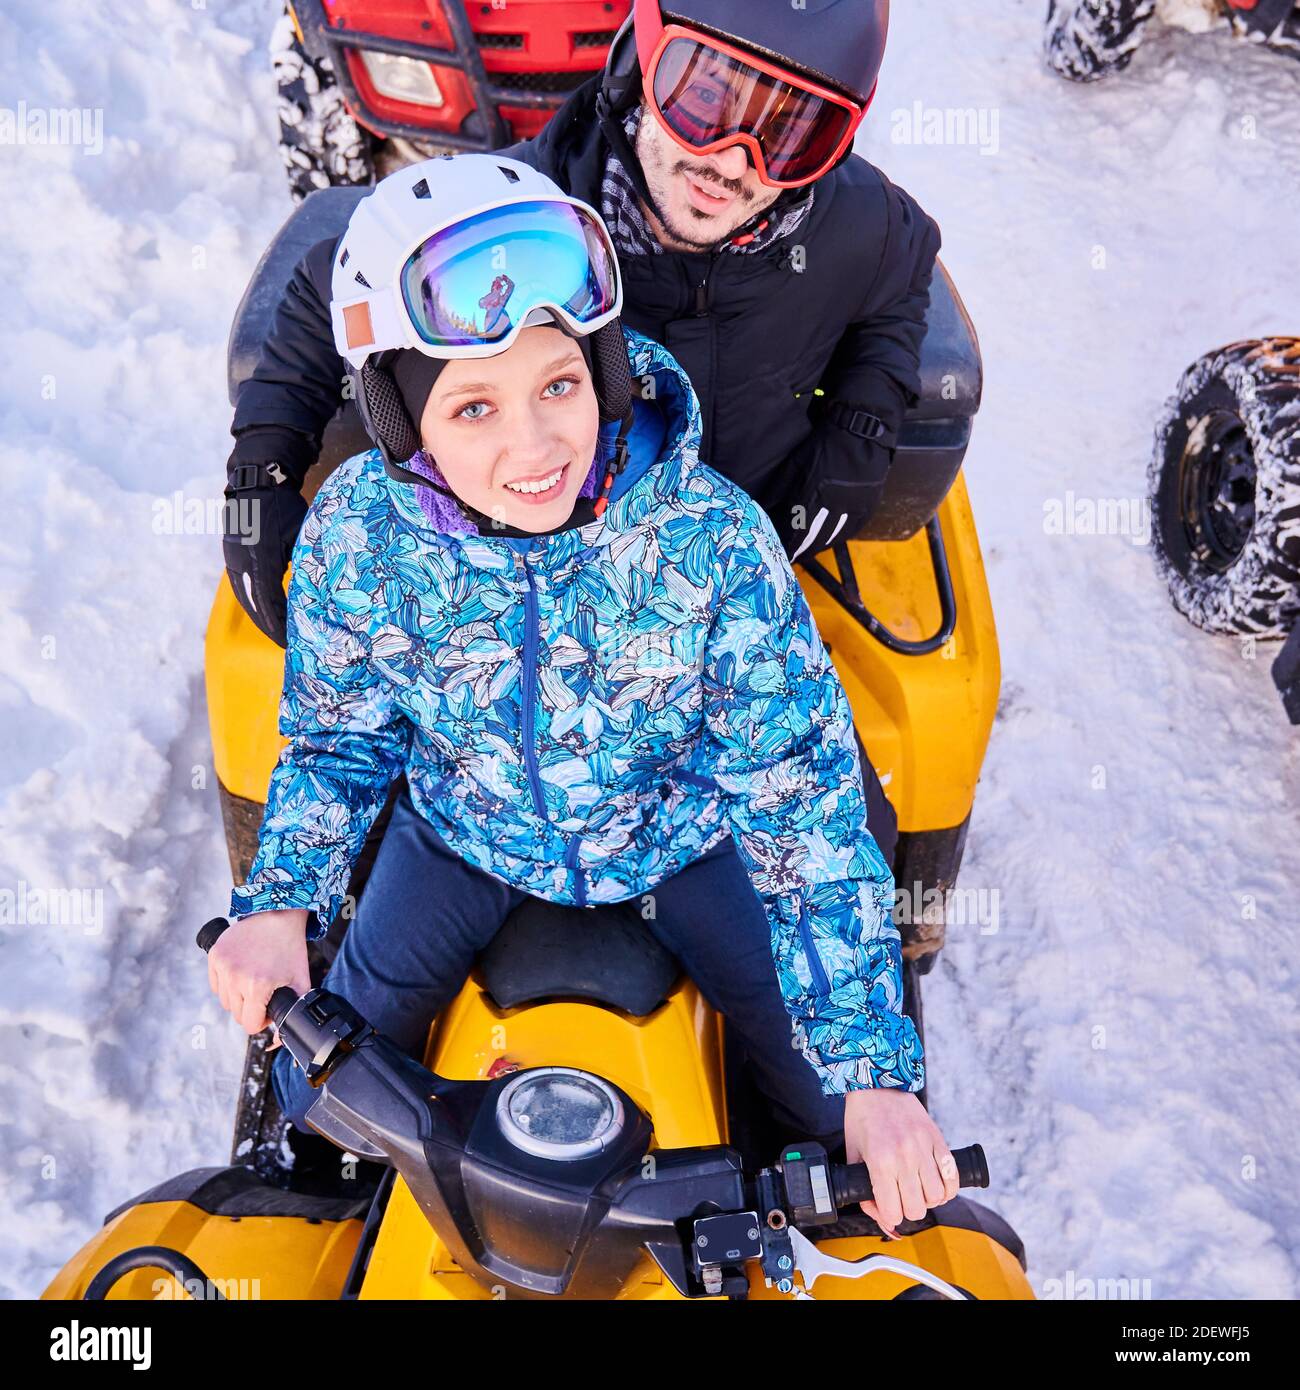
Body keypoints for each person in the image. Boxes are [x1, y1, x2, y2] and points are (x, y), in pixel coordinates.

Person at [208, 156, 958, 1235]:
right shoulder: (358, 540)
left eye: (559, 384)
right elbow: (337, 741)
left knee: (837, 1111)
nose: (533, 446)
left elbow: (801, 802)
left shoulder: (714, 541)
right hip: (462, 834)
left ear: (602, 369)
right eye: (472, 408)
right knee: (320, 1093)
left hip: (683, 840)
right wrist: (281, 900)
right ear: (398, 418)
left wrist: (877, 1078)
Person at [224, 0, 941, 867]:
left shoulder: (857, 226)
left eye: (791, 132)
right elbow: (324, 276)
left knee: (859, 852)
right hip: (522, 597)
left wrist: (861, 428)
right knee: (359, 869)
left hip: (724, 610)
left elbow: (904, 277)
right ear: (641, 63)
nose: (730, 161)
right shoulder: (532, 211)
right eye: (702, 102)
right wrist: (262, 471)